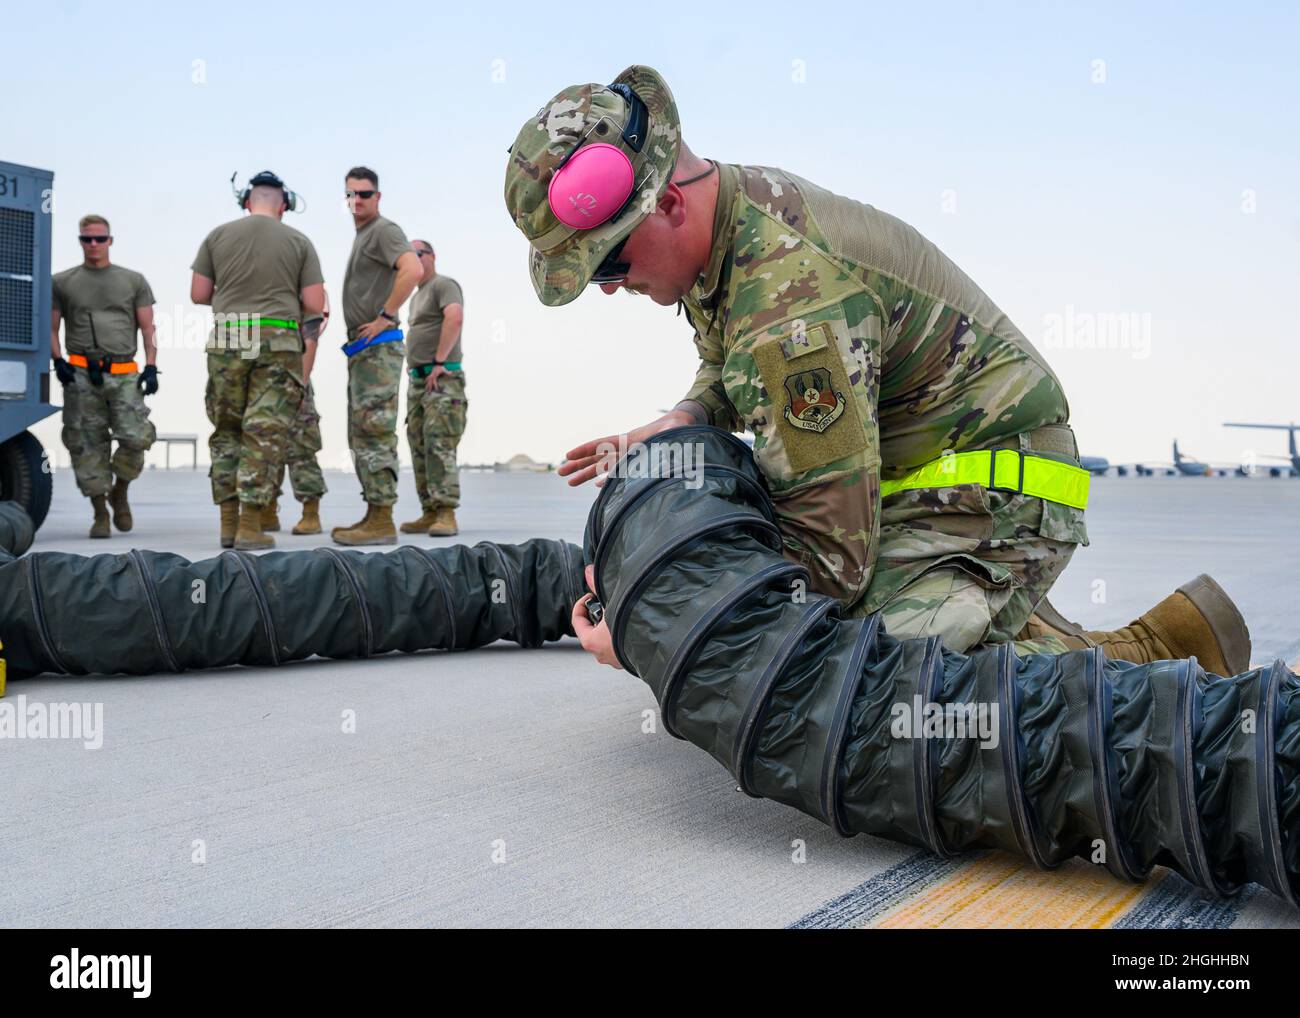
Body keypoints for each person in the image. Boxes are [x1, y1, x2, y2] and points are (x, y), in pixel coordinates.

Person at [503, 65, 1251, 674]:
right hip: (921, 469)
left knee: (871, 670)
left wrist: (649, 628)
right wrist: (688, 416)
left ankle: (1142, 664)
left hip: (999, 488)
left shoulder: (791, 314)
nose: (607, 287)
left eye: (610, 262)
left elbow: (829, 562)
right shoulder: (732, 214)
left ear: (666, 202)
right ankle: (1129, 634)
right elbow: (721, 357)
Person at [191, 170, 325, 550]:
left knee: (227, 429)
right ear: (283, 205)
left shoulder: (217, 236)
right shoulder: (299, 241)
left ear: (247, 202)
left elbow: (199, 293)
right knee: (263, 430)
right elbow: (315, 304)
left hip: (231, 334)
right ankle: (250, 524)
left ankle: (227, 522)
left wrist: (235, 292)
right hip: (277, 336)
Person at [51, 214, 159, 538]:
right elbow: (51, 327)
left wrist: (151, 366)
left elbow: (148, 327)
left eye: (100, 239)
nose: (93, 245)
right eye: (87, 239)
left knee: (135, 437)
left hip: (124, 372)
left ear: (110, 240)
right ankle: (100, 512)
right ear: (80, 241)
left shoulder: (133, 280)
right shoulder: (63, 282)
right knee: (86, 443)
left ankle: (120, 490)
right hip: (82, 373)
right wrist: (58, 361)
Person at [333, 166, 422, 546]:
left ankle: (382, 519)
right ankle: (374, 513)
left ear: (378, 197)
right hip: (365, 349)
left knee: (373, 430)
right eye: (350, 194)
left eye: (364, 194)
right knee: (361, 431)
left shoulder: (383, 231)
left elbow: (413, 268)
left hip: (377, 346)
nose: (357, 201)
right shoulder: (364, 235)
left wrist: (385, 317)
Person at [401, 240, 466, 537]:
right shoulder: (416, 297)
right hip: (418, 381)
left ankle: (445, 512)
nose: (414, 259)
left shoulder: (443, 285)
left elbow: (454, 317)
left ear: (432, 257)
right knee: (418, 444)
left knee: (439, 442)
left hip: (441, 379)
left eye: (418, 253)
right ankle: (429, 511)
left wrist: (440, 360)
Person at [264, 294, 330, 537]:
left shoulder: (302, 279)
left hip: (293, 370)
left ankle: (311, 513)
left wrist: (300, 381)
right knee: (263, 446)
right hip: (262, 374)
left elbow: (318, 321)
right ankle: (266, 509)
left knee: (301, 445)